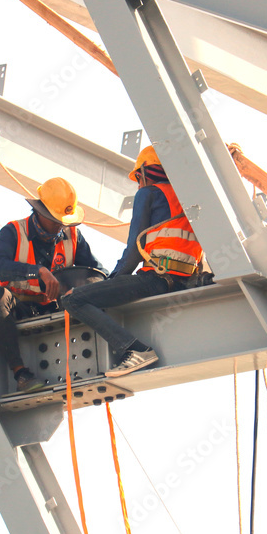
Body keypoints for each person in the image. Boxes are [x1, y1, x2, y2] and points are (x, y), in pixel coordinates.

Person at [61, 146, 205, 378]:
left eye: (138, 178)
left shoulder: (148, 194)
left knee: (73, 299)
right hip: (186, 282)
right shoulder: (191, 198)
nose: (138, 184)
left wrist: (110, 282)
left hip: (156, 279)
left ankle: (135, 350)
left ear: (145, 173)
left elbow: (134, 252)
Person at [0, 177, 102, 393]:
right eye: (55, 219)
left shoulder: (72, 236)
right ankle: (21, 373)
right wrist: (37, 271)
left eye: (63, 220)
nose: (60, 225)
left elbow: (97, 272)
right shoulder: (13, 232)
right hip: (19, 307)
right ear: (40, 212)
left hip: (56, 306)